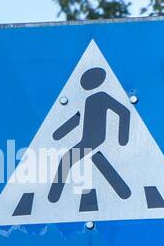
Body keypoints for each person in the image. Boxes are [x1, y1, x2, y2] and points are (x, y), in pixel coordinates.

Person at [47, 67, 132, 203]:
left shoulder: (102, 96)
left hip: (95, 138)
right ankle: (126, 194)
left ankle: (52, 199)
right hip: (90, 139)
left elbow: (124, 112)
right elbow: (77, 119)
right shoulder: (88, 100)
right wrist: (58, 134)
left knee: (67, 160)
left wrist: (123, 139)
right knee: (100, 162)